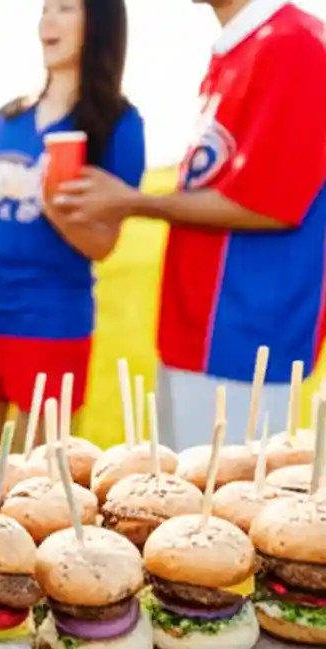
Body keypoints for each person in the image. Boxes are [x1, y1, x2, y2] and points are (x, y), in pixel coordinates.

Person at [55, 0, 326, 448]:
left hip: (247, 340)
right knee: (179, 502)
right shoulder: (238, 47)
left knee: (224, 504)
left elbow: (272, 205)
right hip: (196, 331)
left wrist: (133, 202)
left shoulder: (295, 44)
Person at [0, 0, 146, 460]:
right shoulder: (10, 117)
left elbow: (102, 244)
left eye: (65, 9)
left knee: (39, 484)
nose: (48, 21)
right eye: (45, 10)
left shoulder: (117, 125)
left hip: (50, 325)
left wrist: (51, 202)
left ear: (98, 25)